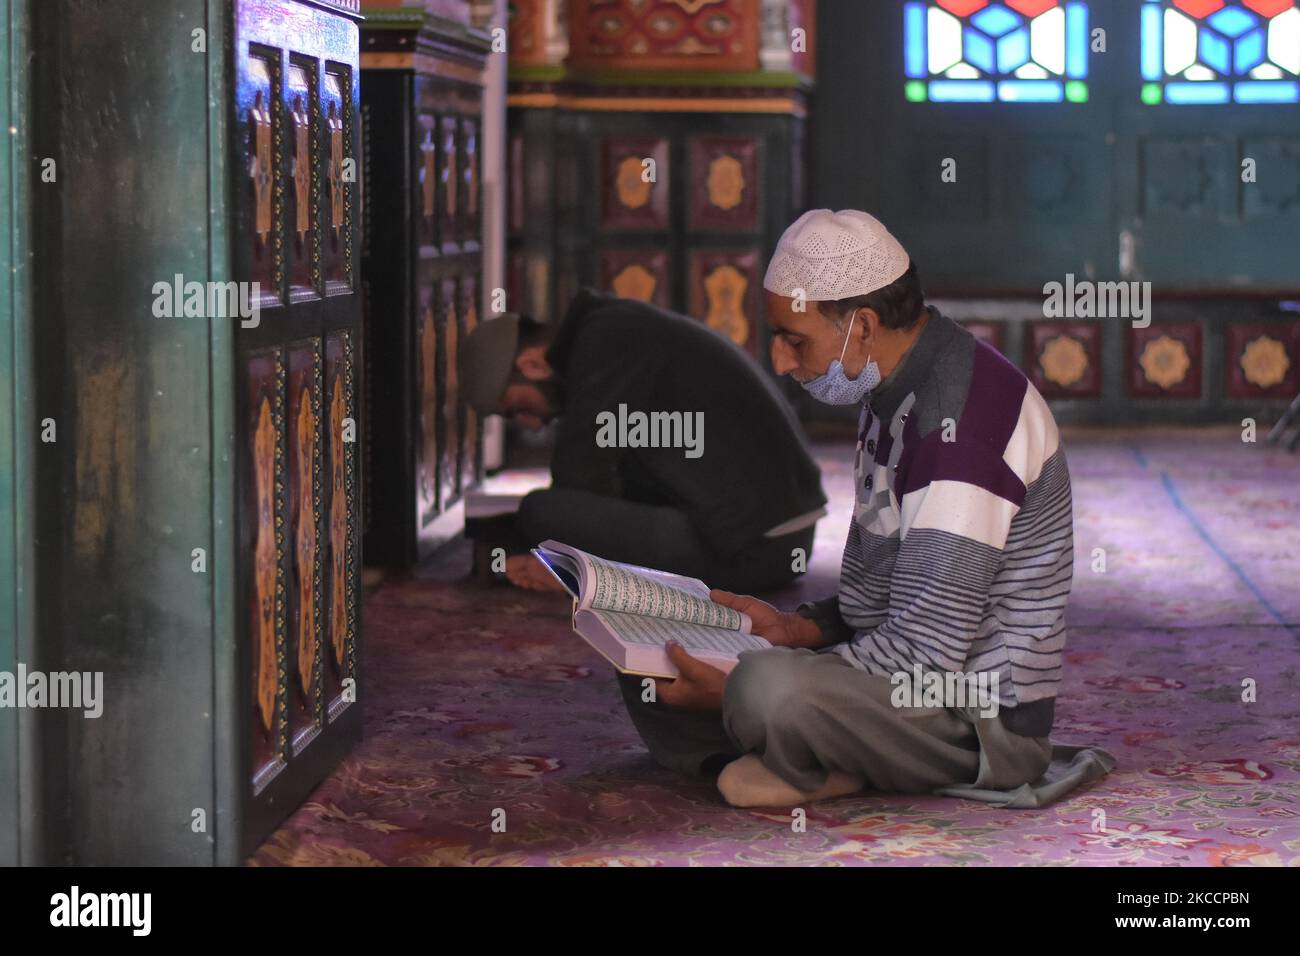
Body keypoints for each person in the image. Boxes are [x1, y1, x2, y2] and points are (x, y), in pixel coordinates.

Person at [618, 209, 1116, 808]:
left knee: (761, 689)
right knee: (653, 658)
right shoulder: (891, 388)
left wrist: (734, 684)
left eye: (794, 339)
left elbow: (925, 656)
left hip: (976, 721)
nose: (778, 360)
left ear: (862, 327)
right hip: (903, 681)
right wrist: (798, 630)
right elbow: (885, 594)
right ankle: (816, 755)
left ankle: (806, 752)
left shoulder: (959, 429)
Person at [458, 288, 828, 594]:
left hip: (755, 550)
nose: (533, 423)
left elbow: (579, 484)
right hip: (776, 537)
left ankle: (587, 581)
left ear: (533, 365)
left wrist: (528, 537)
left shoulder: (603, 341)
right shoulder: (613, 326)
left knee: (543, 512)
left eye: (516, 408)